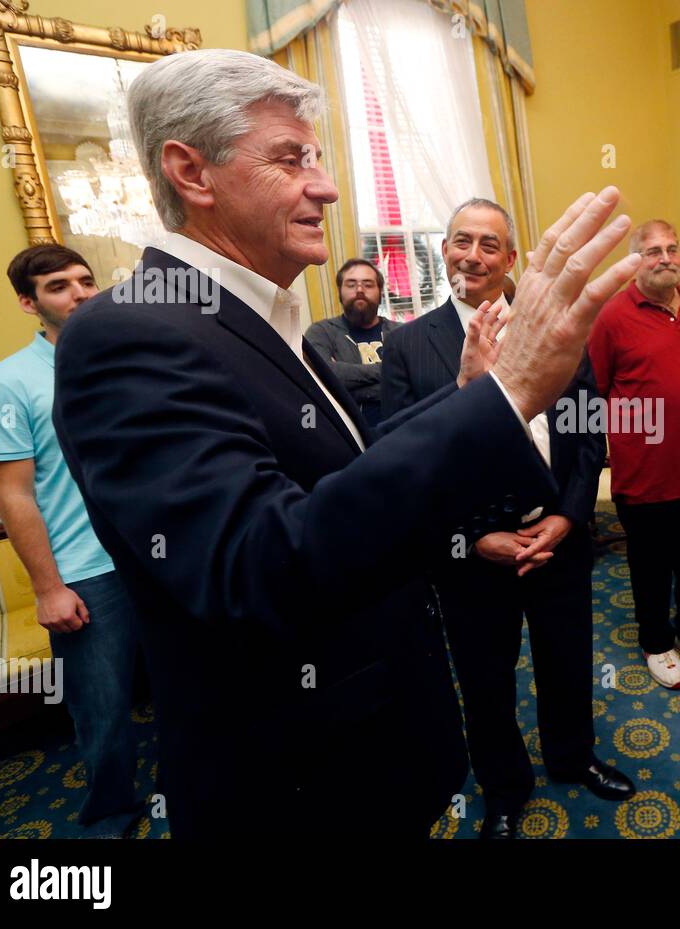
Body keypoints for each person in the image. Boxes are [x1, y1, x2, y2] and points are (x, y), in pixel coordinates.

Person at [50, 49, 641, 838]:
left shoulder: (259, 317)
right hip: (299, 786)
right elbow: (262, 563)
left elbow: (343, 476)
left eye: (318, 157)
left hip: (374, 740)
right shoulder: (126, 335)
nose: (325, 185)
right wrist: (508, 399)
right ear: (192, 173)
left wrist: (469, 398)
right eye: (291, 158)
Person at [382, 198, 633, 839]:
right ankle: (503, 788)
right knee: (485, 678)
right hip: (471, 552)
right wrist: (469, 537)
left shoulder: (556, 329)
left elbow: (587, 430)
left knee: (567, 660)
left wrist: (572, 516)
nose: (473, 254)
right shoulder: (408, 344)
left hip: (557, 537)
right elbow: (398, 456)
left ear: (511, 259)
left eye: (489, 244)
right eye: (461, 241)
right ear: (443, 249)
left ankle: (574, 758)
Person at [0, 245, 146, 838]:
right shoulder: (7, 383)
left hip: (158, 558)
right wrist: (49, 588)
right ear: (29, 302)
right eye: (58, 286)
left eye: (85, 280)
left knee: (190, 690)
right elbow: (16, 496)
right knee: (102, 713)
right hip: (86, 572)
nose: (79, 294)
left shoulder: (129, 363)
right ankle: (110, 816)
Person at [588, 220, 680, 690]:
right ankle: (656, 640)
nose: (665, 257)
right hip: (645, 470)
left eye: (672, 248)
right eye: (653, 251)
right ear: (634, 261)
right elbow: (596, 390)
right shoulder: (612, 315)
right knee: (651, 563)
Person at [303, 258, 398, 427]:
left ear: (380, 292)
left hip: (401, 430)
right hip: (351, 438)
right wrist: (391, 370)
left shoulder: (401, 333)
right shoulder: (321, 332)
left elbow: (415, 381)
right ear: (339, 291)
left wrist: (346, 385)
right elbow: (323, 380)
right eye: (351, 284)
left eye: (368, 285)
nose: (360, 290)